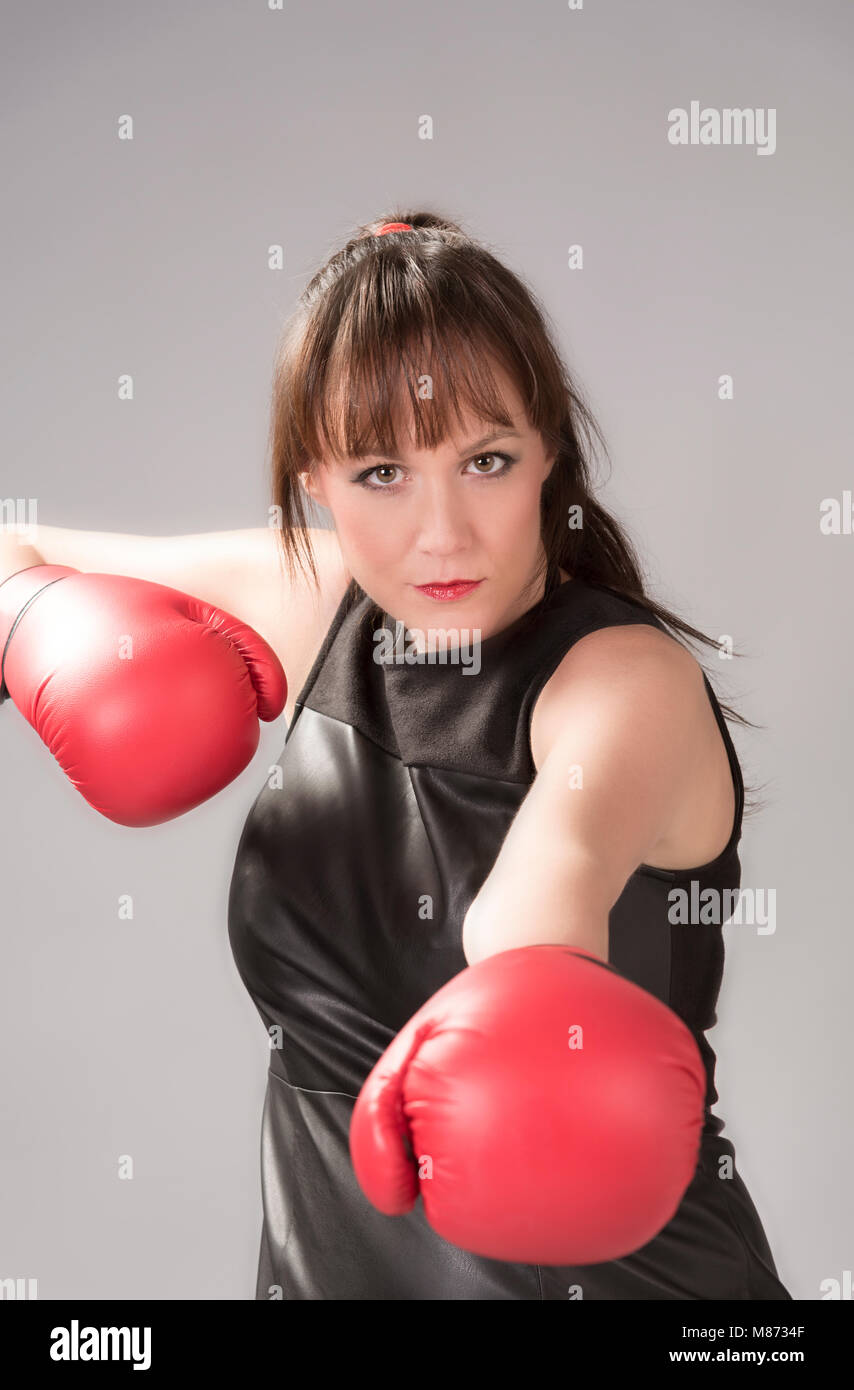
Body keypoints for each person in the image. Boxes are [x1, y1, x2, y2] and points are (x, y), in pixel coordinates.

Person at [0, 208, 791, 1300]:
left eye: (485, 460)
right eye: (381, 472)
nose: (441, 534)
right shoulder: (326, 605)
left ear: (548, 452)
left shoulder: (624, 683)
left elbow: (548, 880)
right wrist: (29, 617)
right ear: (313, 477)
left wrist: (529, 981)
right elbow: (15, 543)